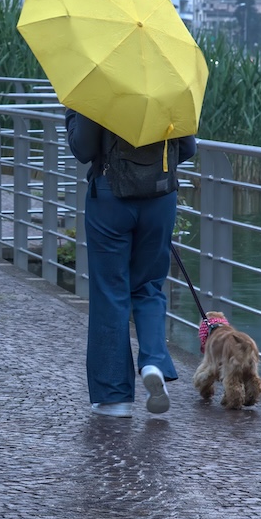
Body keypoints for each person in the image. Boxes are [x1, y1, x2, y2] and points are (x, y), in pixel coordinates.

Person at [65, 110, 197, 418]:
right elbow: (188, 148)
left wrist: (72, 115)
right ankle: (153, 361)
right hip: (160, 198)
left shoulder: (100, 85)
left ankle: (114, 398)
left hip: (110, 197)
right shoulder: (166, 84)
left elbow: (82, 148)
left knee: (110, 290)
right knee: (149, 285)